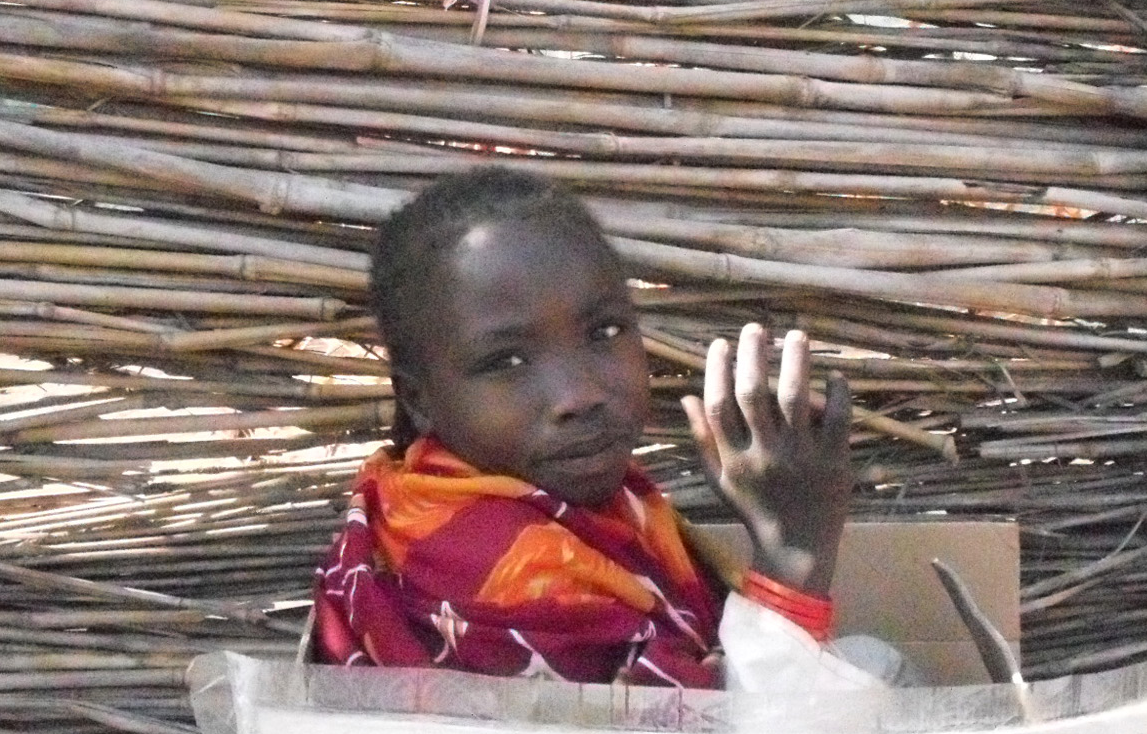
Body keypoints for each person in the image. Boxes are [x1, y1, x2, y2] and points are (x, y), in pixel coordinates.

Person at [312, 166, 907, 690]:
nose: (580, 395)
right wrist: (794, 555)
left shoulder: (583, 510)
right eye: (507, 362)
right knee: (879, 679)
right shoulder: (483, 572)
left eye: (604, 332)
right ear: (419, 399)